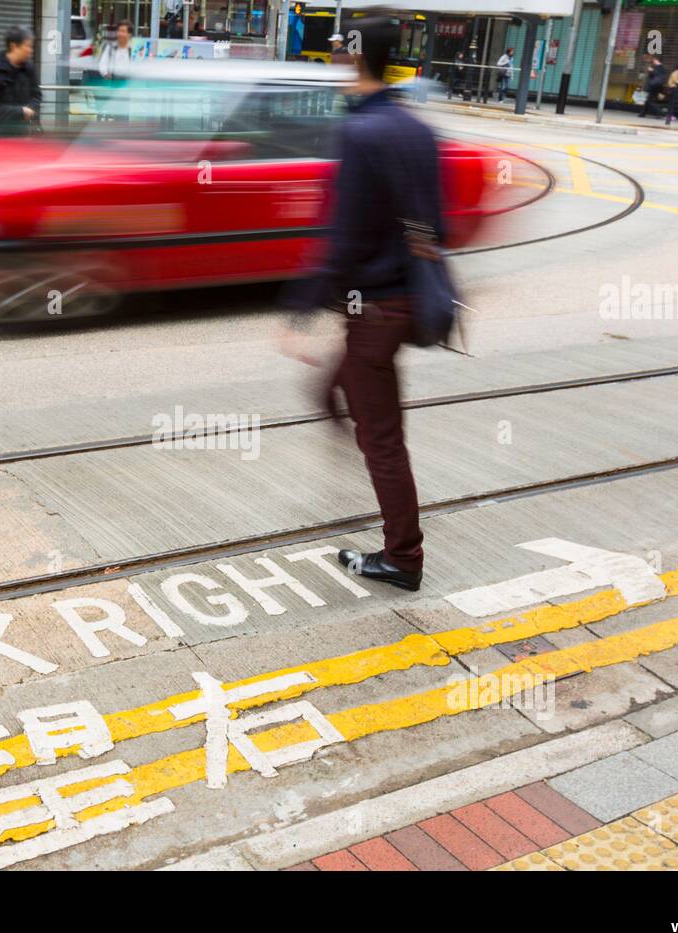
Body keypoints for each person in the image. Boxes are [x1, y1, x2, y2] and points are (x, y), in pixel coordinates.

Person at [278, 10, 443, 592]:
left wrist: (301, 309)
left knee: (383, 440)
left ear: (352, 59)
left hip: (372, 309)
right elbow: (433, 223)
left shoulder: (362, 133)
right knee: (337, 389)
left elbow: (340, 237)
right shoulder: (417, 128)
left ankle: (403, 557)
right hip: (403, 305)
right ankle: (340, 411)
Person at [0, 25, 42, 137]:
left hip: (21, 137)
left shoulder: (29, 69)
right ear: (14, 46)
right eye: (28, 46)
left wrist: (31, 108)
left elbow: (37, 95)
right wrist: (21, 111)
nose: (30, 51)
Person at [664, 60, 678, 125]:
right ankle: (669, 116)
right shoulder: (677, 72)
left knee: (671, 103)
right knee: (671, 103)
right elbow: (676, 80)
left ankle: (669, 116)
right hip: (673, 88)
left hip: (672, 88)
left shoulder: (676, 71)